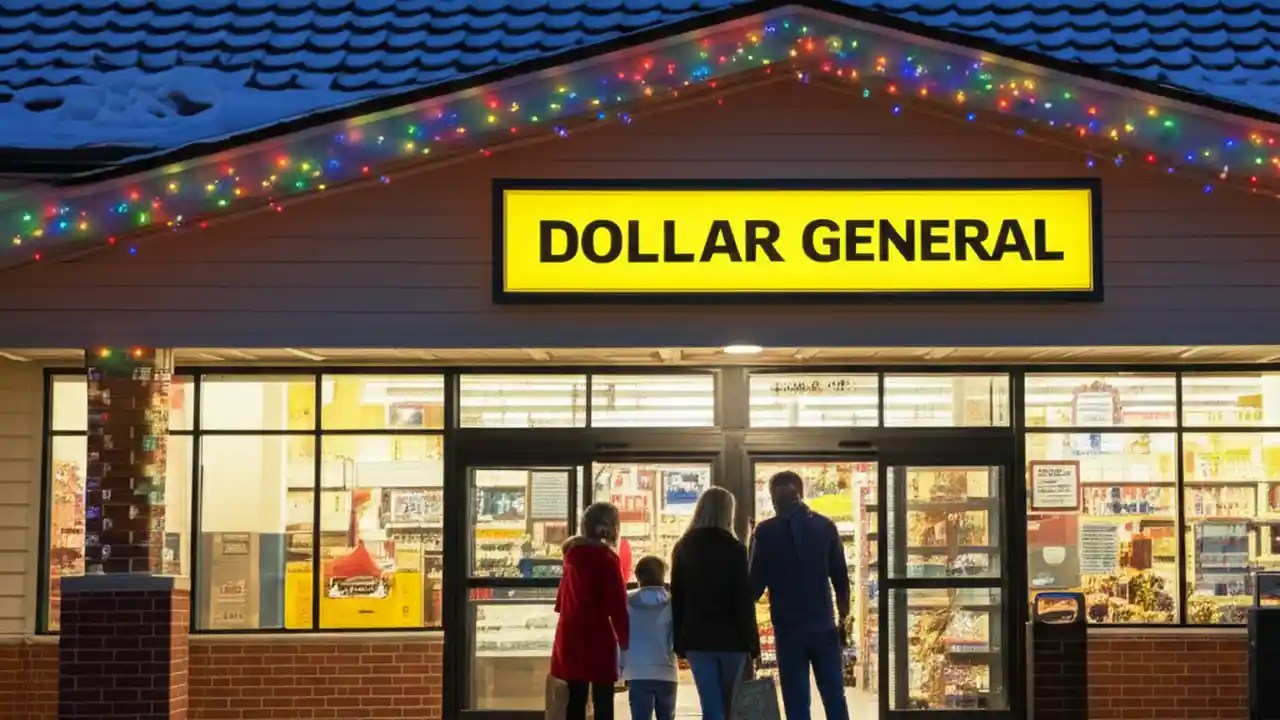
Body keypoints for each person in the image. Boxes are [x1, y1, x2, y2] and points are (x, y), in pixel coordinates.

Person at [749, 470, 850, 720]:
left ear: (773, 498)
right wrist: (843, 619)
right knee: (834, 696)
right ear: (801, 493)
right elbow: (840, 578)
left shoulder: (765, 532)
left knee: (795, 699)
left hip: (788, 627)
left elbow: (754, 587)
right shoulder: (825, 526)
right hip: (823, 624)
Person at [671, 487, 759, 720]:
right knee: (731, 706)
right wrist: (752, 642)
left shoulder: (683, 548)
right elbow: (743, 600)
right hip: (732, 640)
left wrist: (678, 640)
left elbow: (678, 598)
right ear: (727, 513)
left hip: (697, 638)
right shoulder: (736, 550)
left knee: (711, 707)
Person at [551, 502, 629, 720]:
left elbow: (561, 601)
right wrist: (625, 639)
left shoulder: (571, 554)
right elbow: (617, 605)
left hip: (569, 634)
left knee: (575, 699)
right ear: (611, 526)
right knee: (603, 699)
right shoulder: (607, 558)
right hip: (597, 636)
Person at [622, 556, 678, 720]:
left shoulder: (626, 601)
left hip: (637, 671)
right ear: (662, 576)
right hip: (666, 671)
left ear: (638, 577)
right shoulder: (672, 603)